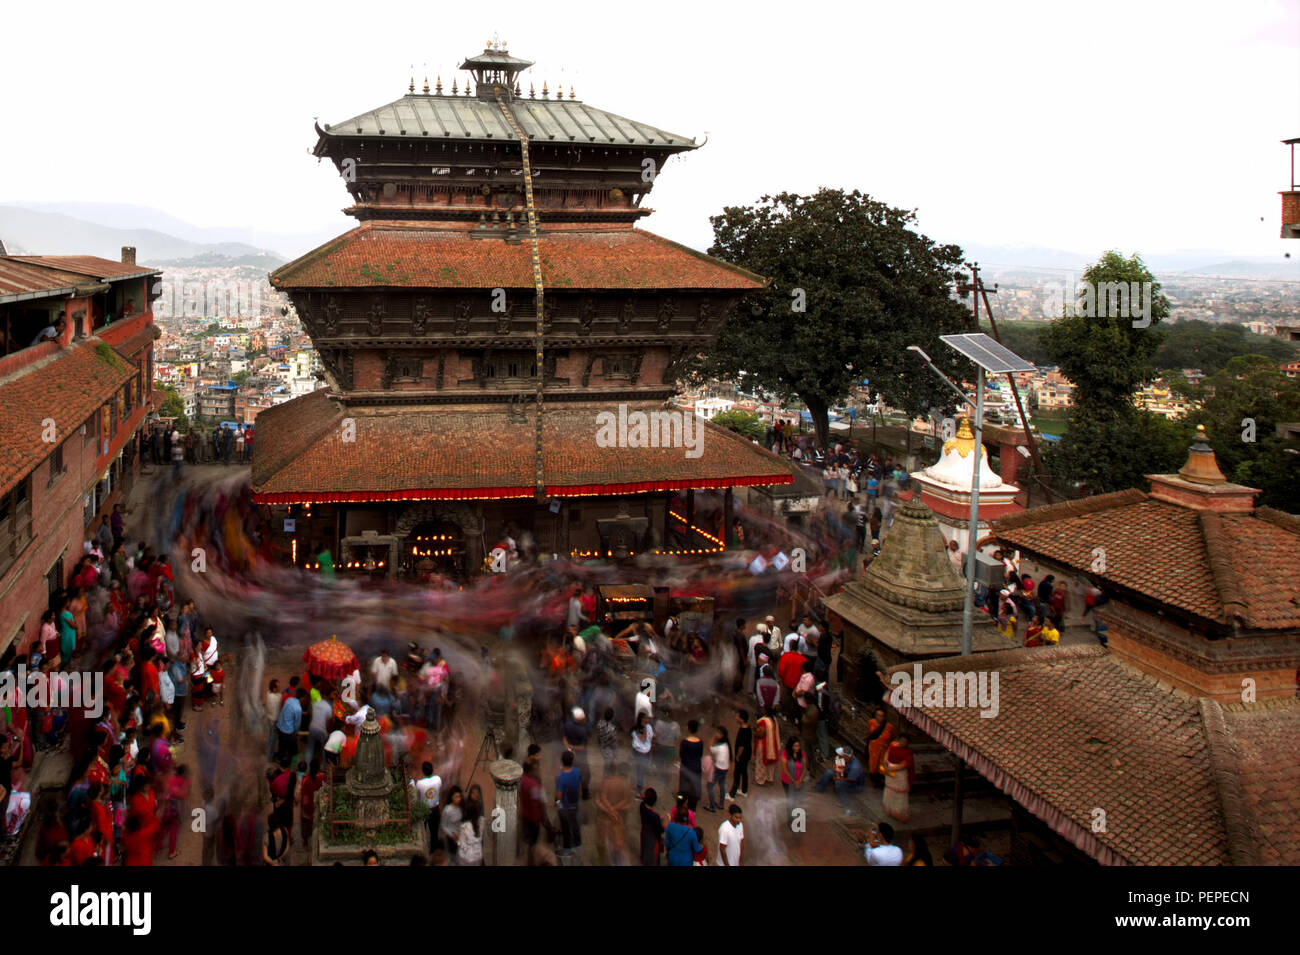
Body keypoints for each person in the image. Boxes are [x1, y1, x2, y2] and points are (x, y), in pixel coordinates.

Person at [594, 762, 633, 865]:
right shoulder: (624, 784)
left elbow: (598, 801)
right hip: (618, 818)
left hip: (605, 818)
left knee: (602, 842)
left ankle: (602, 860)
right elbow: (627, 802)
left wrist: (610, 810)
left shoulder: (603, 783)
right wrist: (614, 810)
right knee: (617, 843)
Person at [882, 735, 914, 822]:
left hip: (900, 775)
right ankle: (890, 810)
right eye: (902, 741)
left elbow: (904, 764)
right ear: (899, 740)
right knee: (889, 791)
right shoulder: (893, 745)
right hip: (890, 771)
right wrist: (885, 763)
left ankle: (899, 813)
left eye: (905, 742)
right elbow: (887, 753)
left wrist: (891, 768)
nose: (903, 743)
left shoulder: (908, 752)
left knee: (899, 795)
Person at [555, 751, 582, 852]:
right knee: (575, 824)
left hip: (565, 806)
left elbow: (559, 795)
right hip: (574, 804)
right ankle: (578, 844)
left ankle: (567, 849)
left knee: (566, 827)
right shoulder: (577, 771)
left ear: (562, 761)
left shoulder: (560, 778)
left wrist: (557, 803)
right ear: (572, 761)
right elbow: (578, 784)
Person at [677, 720, 703, 810]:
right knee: (694, 789)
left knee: (683, 788)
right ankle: (692, 808)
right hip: (696, 767)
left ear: (688, 729)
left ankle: (680, 805)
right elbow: (700, 755)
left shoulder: (684, 742)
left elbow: (681, 755)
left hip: (686, 767)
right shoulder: (700, 743)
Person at [753, 707, 781, 787]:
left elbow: (761, 733)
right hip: (773, 745)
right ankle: (769, 778)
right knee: (770, 764)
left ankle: (760, 780)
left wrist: (755, 733)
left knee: (761, 763)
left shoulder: (763, 721)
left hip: (763, 744)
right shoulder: (774, 720)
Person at [705, 726, 730, 812]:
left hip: (718, 768)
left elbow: (710, 748)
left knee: (710, 786)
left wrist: (713, 738)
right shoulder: (726, 745)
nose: (716, 734)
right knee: (722, 784)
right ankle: (721, 804)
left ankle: (712, 806)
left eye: (718, 733)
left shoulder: (719, 747)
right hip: (725, 768)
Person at [639, 787, 664, 867]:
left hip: (644, 832)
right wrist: (665, 824)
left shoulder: (642, 806)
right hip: (653, 837)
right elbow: (660, 829)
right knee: (651, 854)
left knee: (644, 848)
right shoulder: (654, 816)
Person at [730, 710, 752, 799]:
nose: (736, 718)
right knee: (744, 772)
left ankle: (732, 794)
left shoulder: (742, 731)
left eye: (738, 716)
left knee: (737, 773)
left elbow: (741, 746)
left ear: (742, 719)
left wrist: (738, 756)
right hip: (747, 754)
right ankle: (744, 790)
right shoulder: (748, 728)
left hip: (742, 755)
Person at [630, 713, 654, 796]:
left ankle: (639, 785)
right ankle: (638, 792)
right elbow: (643, 739)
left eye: (647, 718)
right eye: (645, 719)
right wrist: (644, 728)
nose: (647, 720)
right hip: (640, 752)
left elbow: (651, 737)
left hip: (646, 751)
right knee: (641, 771)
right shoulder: (636, 730)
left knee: (641, 770)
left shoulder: (649, 727)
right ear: (641, 720)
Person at [780, 737, 805, 810]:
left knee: (798, 798)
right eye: (795, 746)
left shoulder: (801, 754)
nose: (797, 748)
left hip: (799, 780)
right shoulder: (785, 753)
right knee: (790, 799)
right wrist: (794, 782)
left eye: (798, 746)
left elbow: (804, 768)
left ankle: (797, 813)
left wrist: (799, 780)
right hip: (788, 781)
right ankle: (790, 817)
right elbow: (785, 770)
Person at [458, 798, 484, 866]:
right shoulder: (482, 821)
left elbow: (461, 843)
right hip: (478, 855)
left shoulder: (464, 826)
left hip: (467, 857)